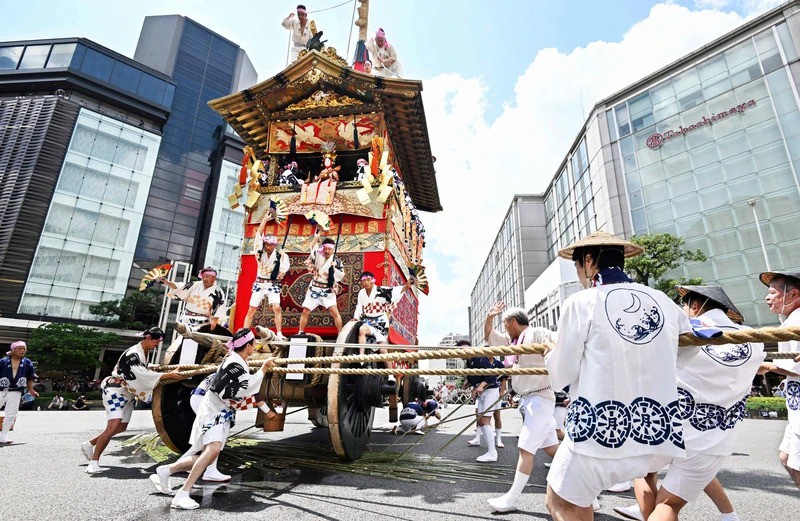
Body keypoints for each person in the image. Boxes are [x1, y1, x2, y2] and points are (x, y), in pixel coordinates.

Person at [543, 231, 692, 521]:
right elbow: (687, 352)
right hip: (656, 433)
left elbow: (561, 374)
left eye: (577, 268)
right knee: (585, 499)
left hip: (598, 435)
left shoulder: (582, 302)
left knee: (561, 503)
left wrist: (551, 352)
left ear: (588, 261)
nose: (579, 276)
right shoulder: (663, 301)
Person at [615, 285, 765, 521]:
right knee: (670, 504)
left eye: (685, 306)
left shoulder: (681, 332)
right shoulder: (754, 341)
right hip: (714, 437)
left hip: (668, 426)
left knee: (642, 474)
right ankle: (727, 515)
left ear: (695, 306)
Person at [151, 329, 276, 510]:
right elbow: (247, 388)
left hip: (216, 409)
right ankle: (182, 494)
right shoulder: (235, 363)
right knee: (212, 450)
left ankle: (166, 471)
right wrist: (263, 369)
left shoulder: (237, 361)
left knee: (207, 453)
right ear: (248, 346)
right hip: (213, 410)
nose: (255, 347)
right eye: (253, 344)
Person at [485, 302, 560, 513]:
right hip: (528, 399)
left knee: (525, 448)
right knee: (555, 450)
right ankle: (589, 496)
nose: (504, 327)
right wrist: (490, 318)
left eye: (504, 323)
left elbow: (556, 342)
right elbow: (490, 337)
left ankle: (512, 498)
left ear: (513, 322)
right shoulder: (512, 340)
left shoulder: (537, 332)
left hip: (541, 397)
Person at [82, 327, 184, 473]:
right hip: (115, 390)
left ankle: (90, 444)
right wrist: (168, 375)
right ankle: (94, 462)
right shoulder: (133, 354)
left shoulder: (144, 352)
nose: (157, 344)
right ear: (148, 338)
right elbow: (141, 374)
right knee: (113, 425)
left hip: (129, 392)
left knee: (121, 427)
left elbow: (144, 371)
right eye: (156, 341)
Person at [758, 270, 800, 490]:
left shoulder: (798, 319)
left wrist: (765, 366)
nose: (767, 297)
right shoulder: (790, 321)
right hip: (795, 404)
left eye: (773, 292)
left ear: (793, 294)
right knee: (786, 457)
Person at [159, 266, 227, 365]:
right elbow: (180, 287)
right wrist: (167, 282)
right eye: (203, 276)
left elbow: (221, 306)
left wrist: (215, 320)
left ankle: (192, 367)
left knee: (198, 344)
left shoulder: (218, 291)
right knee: (183, 342)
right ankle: (177, 364)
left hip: (203, 322)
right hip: (187, 319)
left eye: (208, 276)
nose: (205, 279)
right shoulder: (195, 285)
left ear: (214, 278)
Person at [243, 211, 290, 334]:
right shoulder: (259, 253)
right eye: (267, 244)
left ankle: (279, 333)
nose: (268, 247)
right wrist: (265, 219)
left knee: (277, 308)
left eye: (271, 245)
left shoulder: (280, 255)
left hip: (272, 284)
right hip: (259, 283)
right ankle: (244, 332)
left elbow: (284, 268)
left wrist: (282, 273)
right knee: (251, 309)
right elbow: (258, 234)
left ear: (275, 245)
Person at [351, 270, 412, 350]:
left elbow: (393, 292)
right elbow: (359, 306)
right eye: (364, 281)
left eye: (368, 280)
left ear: (373, 280)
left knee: (383, 350)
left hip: (380, 322)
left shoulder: (381, 290)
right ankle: (361, 359)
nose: (366, 282)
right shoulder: (361, 293)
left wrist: (406, 286)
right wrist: (356, 318)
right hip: (368, 321)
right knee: (362, 330)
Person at [298, 232, 344, 334]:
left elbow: (341, 276)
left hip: (327, 289)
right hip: (314, 288)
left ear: (333, 250)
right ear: (323, 248)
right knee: (306, 311)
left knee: (334, 312)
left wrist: (334, 268)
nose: (327, 251)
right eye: (326, 249)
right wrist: (316, 238)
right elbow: (313, 247)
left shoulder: (337, 261)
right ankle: (300, 332)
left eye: (329, 249)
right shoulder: (319, 255)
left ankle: (340, 334)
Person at [0, 341, 39, 444]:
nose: (22, 350)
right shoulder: (3, 361)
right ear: (12, 350)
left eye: (24, 349)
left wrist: (31, 390)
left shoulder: (27, 362)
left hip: (16, 391)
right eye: (20, 348)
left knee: (11, 414)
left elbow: (30, 377)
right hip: (1, 389)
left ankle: (3, 435)